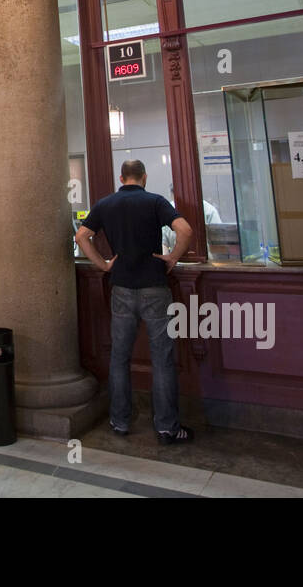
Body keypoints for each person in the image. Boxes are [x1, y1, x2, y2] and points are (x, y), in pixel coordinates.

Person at [75, 160, 195, 444]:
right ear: (144, 177)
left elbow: (82, 236)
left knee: (119, 357)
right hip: (154, 285)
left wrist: (103, 265)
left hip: (122, 287)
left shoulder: (106, 204)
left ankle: (120, 421)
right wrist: (173, 257)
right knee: (163, 360)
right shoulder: (155, 201)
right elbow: (185, 230)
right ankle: (167, 427)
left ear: (121, 177)